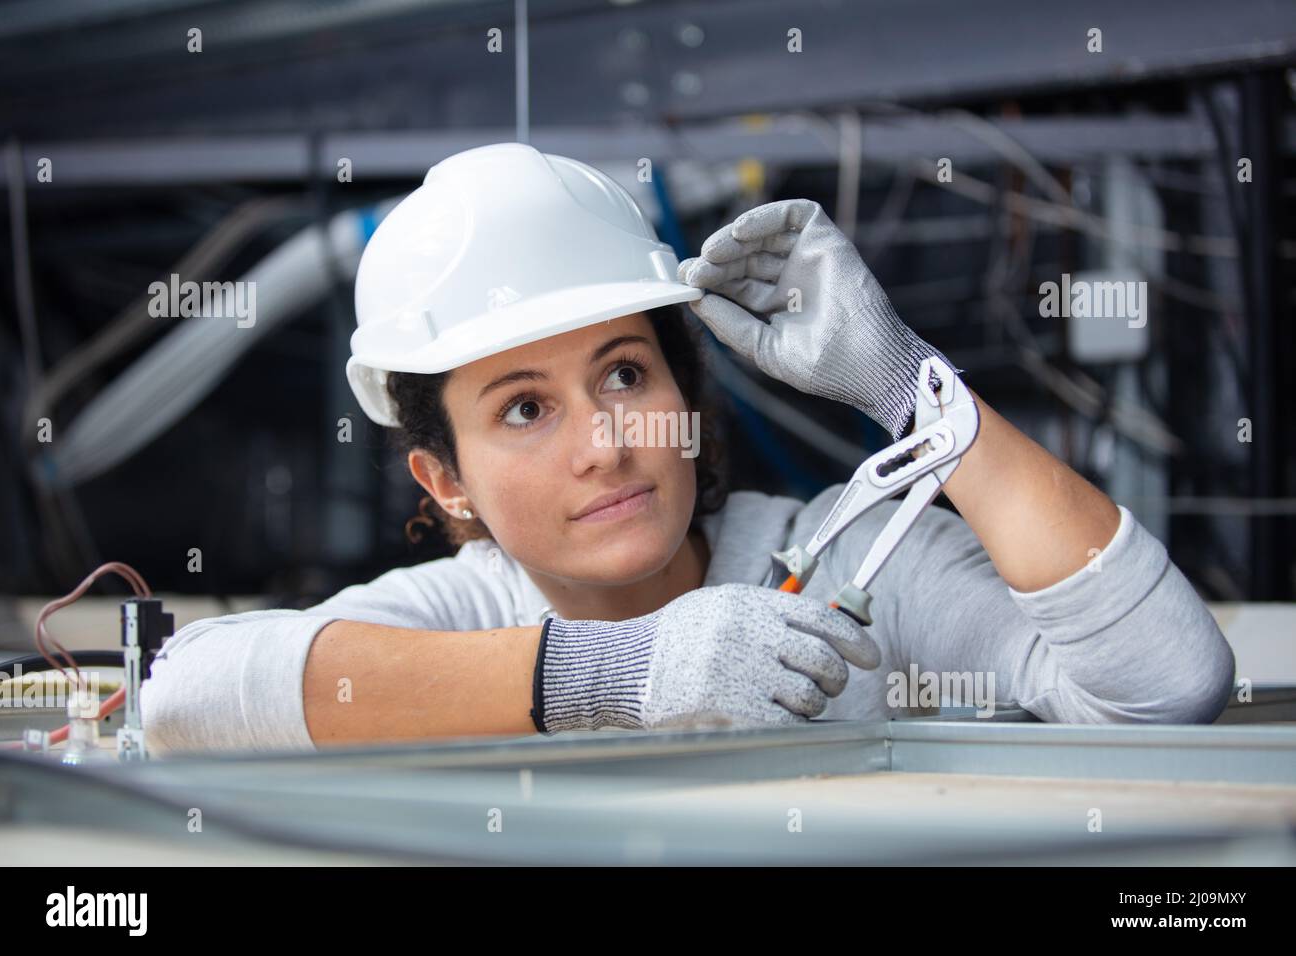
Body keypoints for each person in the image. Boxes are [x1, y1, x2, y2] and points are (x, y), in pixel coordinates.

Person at [139, 143, 1235, 754]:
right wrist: (616, 674)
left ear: (685, 394)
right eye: (525, 409)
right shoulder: (459, 612)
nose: (609, 442)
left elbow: (1167, 688)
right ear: (445, 480)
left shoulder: (850, 559)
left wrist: (910, 387)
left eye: (624, 372)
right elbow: (186, 693)